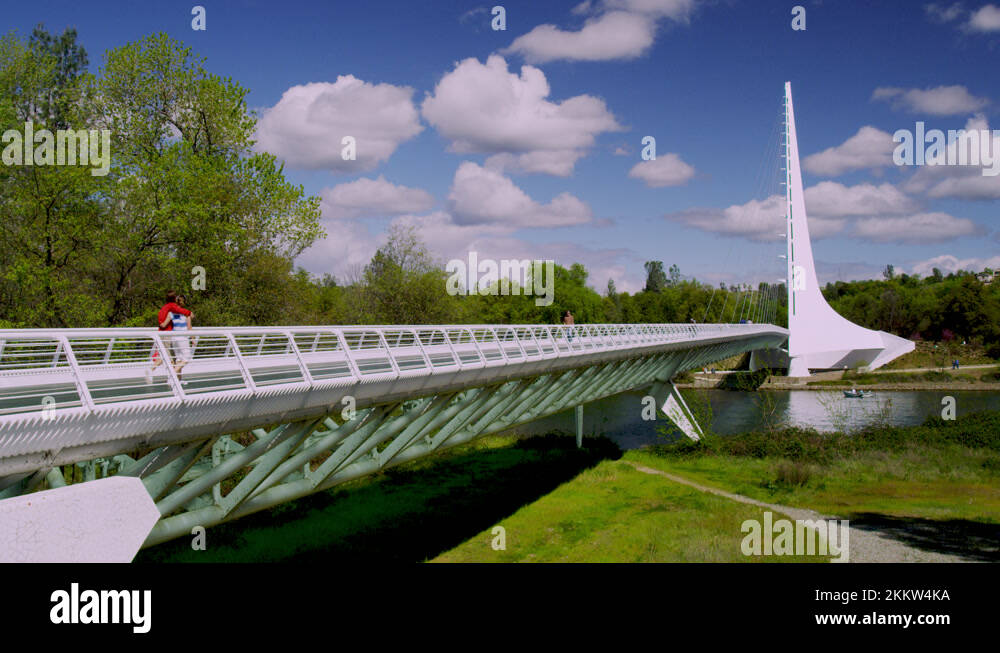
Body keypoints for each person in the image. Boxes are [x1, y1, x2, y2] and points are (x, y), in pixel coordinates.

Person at [147, 290, 194, 384]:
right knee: (185, 359)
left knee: (178, 359)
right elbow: (189, 326)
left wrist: (160, 325)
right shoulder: (183, 313)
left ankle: (178, 380)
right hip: (180, 338)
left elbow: (163, 324)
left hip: (173, 337)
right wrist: (192, 338)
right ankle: (171, 376)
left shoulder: (170, 312)